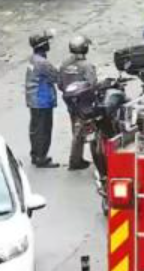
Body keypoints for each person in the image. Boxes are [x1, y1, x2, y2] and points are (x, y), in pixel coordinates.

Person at [57, 35, 97, 171]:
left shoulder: (64, 64)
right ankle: (75, 161)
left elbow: (60, 84)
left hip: (70, 102)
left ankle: (78, 158)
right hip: (84, 103)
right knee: (83, 131)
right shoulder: (87, 66)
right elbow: (92, 84)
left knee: (76, 128)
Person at [25, 30, 60, 168]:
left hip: (33, 100)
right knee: (44, 130)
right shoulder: (43, 63)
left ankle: (35, 155)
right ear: (42, 46)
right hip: (42, 100)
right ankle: (41, 158)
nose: (49, 44)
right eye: (47, 42)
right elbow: (56, 77)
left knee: (35, 129)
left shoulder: (33, 59)